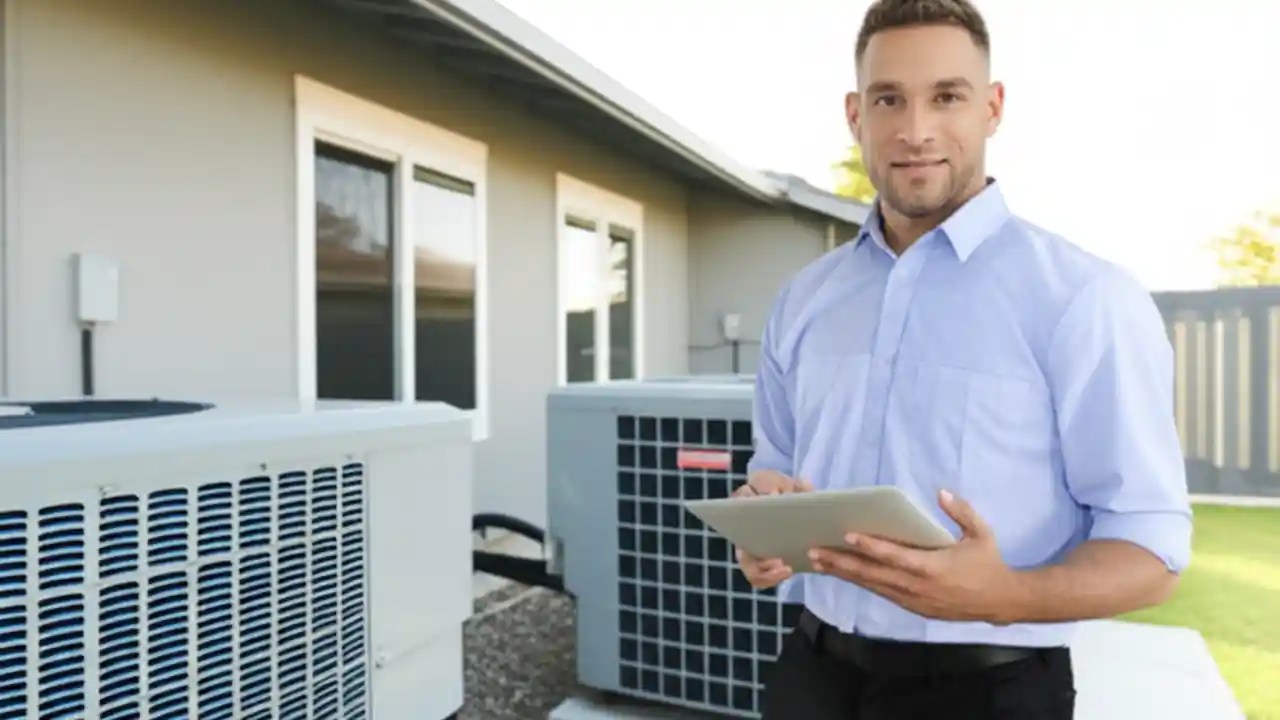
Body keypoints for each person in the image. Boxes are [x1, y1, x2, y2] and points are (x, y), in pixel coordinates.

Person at [735, 0, 1193, 717]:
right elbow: (774, 468)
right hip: (811, 676)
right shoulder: (803, 301)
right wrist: (763, 529)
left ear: (992, 107)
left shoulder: (1084, 299)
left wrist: (1008, 596)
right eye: (890, 99)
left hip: (988, 691)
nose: (916, 131)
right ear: (857, 115)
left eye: (947, 96)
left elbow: (1153, 548)